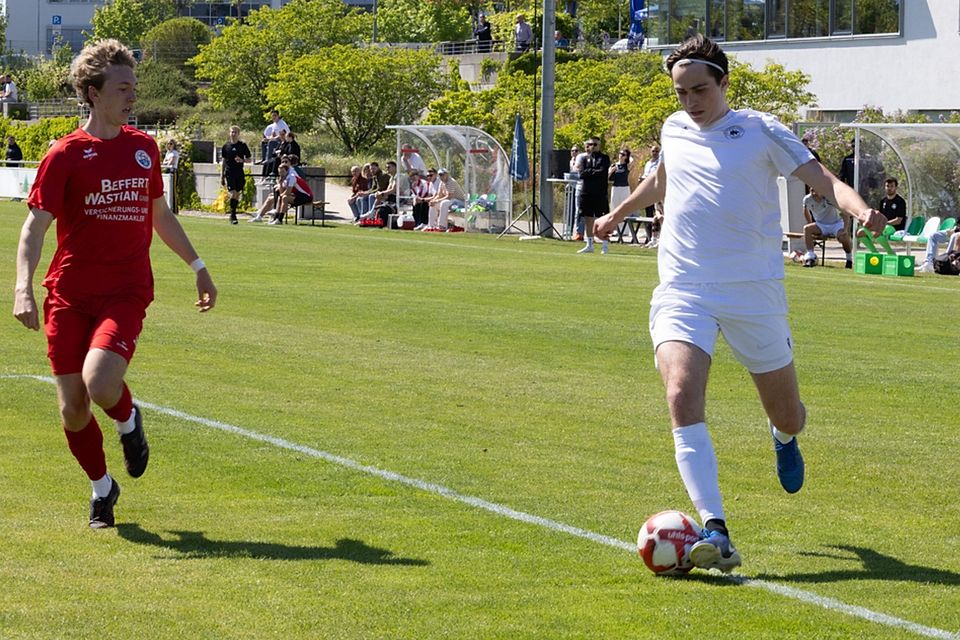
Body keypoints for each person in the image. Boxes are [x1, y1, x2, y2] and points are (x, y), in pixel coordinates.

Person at [593, 35, 886, 573]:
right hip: (684, 287)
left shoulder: (761, 130)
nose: (690, 102)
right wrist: (618, 213)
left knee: (789, 413)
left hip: (754, 293)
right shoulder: (673, 128)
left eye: (700, 90)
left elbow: (824, 179)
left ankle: (783, 437)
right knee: (680, 391)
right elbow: (662, 180)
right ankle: (716, 529)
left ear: (724, 82)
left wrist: (861, 208)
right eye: (681, 92)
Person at [13, 39, 217, 530]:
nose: (132, 96)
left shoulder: (143, 149)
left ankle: (128, 422)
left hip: (125, 290)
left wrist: (198, 265)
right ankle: (103, 488)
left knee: (101, 383)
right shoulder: (64, 155)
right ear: (92, 92)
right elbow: (34, 227)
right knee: (73, 408)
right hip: (69, 293)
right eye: (123, 88)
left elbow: (159, 214)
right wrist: (22, 287)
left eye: (134, 87)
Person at [800, 187, 853, 268]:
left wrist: (845, 229)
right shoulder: (807, 199)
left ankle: (849, 259)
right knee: (807, 228)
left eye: (815, 189)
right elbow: (805, 211)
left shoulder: (830, 199)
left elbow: (845, 213)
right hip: (820, 224)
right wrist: (810, 223)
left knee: (843, 237)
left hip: (836, 224)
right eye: (811, 189)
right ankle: (810, 257)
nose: (813, 191)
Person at [575, 136, 610, 254]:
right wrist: (592, 172)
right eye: (591, 144)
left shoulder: (604, 158)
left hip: (600, 192)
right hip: (587, 192)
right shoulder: (584, 159)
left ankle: (605, 244)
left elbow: (602, 172)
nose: (593, 146)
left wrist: (590, 172)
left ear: (599, 146)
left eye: (595, 144)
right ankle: (589, 244)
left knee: (601, 217)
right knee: (588, 218)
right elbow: (581, 173)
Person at [220, 126, 251, 225]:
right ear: (229, 133)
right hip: (229, 172)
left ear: (238, 134)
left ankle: (233, 213)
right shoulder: (226, 146)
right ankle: (233, 215)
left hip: (239, 172)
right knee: (233, 193)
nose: (233, 134)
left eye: (235, 132)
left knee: (237, 193)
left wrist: (242, 160)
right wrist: (222, 175)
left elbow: (249, 159)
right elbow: (224, 161)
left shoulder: (242, 145)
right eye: (232, 132)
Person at [641, 144, 663, 246]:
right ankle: (650, 237)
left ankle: (658, 238)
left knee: (657, 214)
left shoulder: (660, 163)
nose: (654, 153)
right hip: (647, 190)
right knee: (649, 213)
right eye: (653, 151)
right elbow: (646, 175)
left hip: (656, 190)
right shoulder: (648, 163)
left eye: (656, 151)